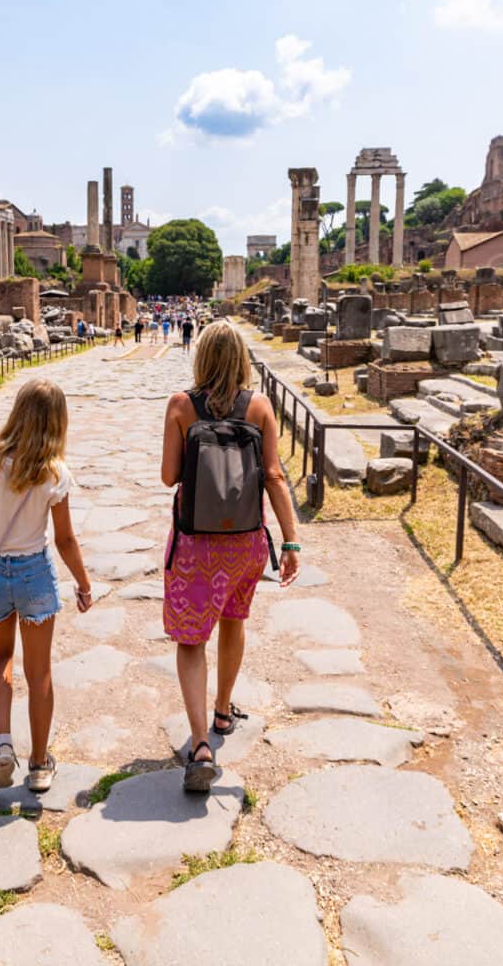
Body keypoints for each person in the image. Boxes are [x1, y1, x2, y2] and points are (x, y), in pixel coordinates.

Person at [161, 321, 300, 792]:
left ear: (201, 356)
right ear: (242, 358)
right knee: (233, 620)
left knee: (190, 638)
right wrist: (291, 541)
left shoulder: (182, 405)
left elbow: (168, 476)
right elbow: (276, 477)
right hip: (246, 542)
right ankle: (223, 712)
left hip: (196, 541)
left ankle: (200, 744)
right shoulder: (259, 406)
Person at [0, 378, 92, 792]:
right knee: (39, 672)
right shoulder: (54, 472)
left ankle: (2, 743)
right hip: (34, 572)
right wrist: (84, 584)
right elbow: (66, 539)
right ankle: (38, 765)